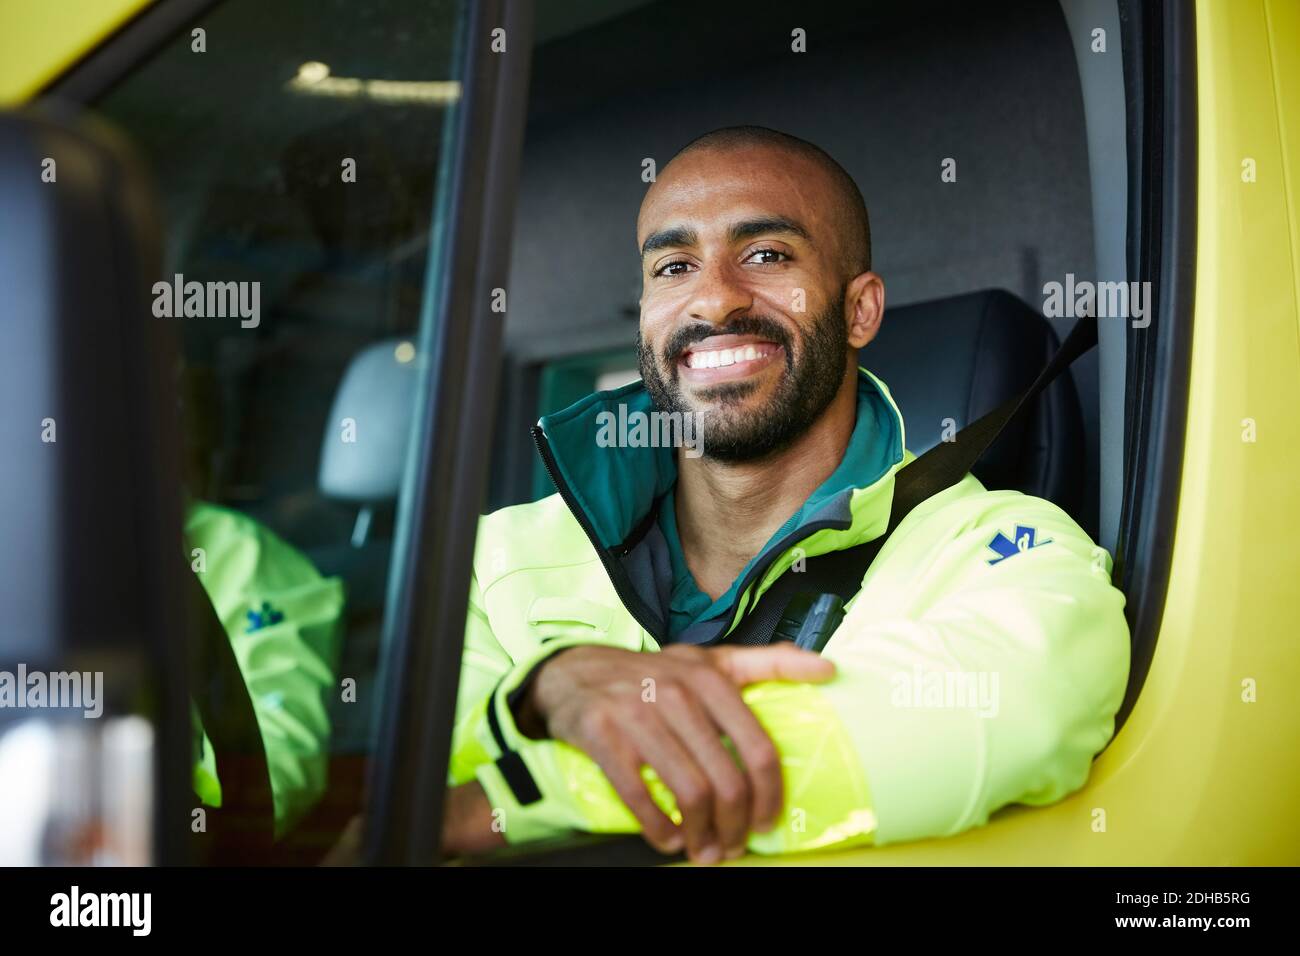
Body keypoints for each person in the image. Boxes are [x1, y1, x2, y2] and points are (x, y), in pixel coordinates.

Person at [440, 126, 1129, 864]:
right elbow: (410, 766)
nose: (713, 301)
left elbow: (1005, 716)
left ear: (859, 310)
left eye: (766, 255)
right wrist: (541, 691)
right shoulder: (492, 560)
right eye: (674, 266)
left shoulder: (1010, 555)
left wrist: (505, 801)